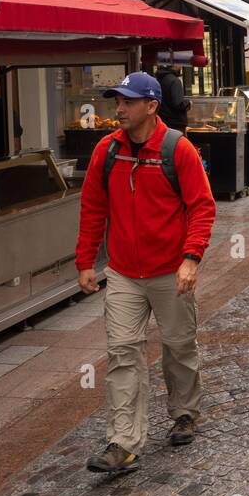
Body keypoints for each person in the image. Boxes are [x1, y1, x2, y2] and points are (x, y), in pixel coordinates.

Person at [75, 72, 217, 475]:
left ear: (151, 106)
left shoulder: (178, 150)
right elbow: (92, 207)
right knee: (123, 353)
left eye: (128, 102)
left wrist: (191, 258)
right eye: (117, 101)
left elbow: (202, 207)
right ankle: (124, 442)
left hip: (171, 271)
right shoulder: (107, 150)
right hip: (122, 272)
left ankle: (185, 412)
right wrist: (86, 261)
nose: (119, 108)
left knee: (178, 346)